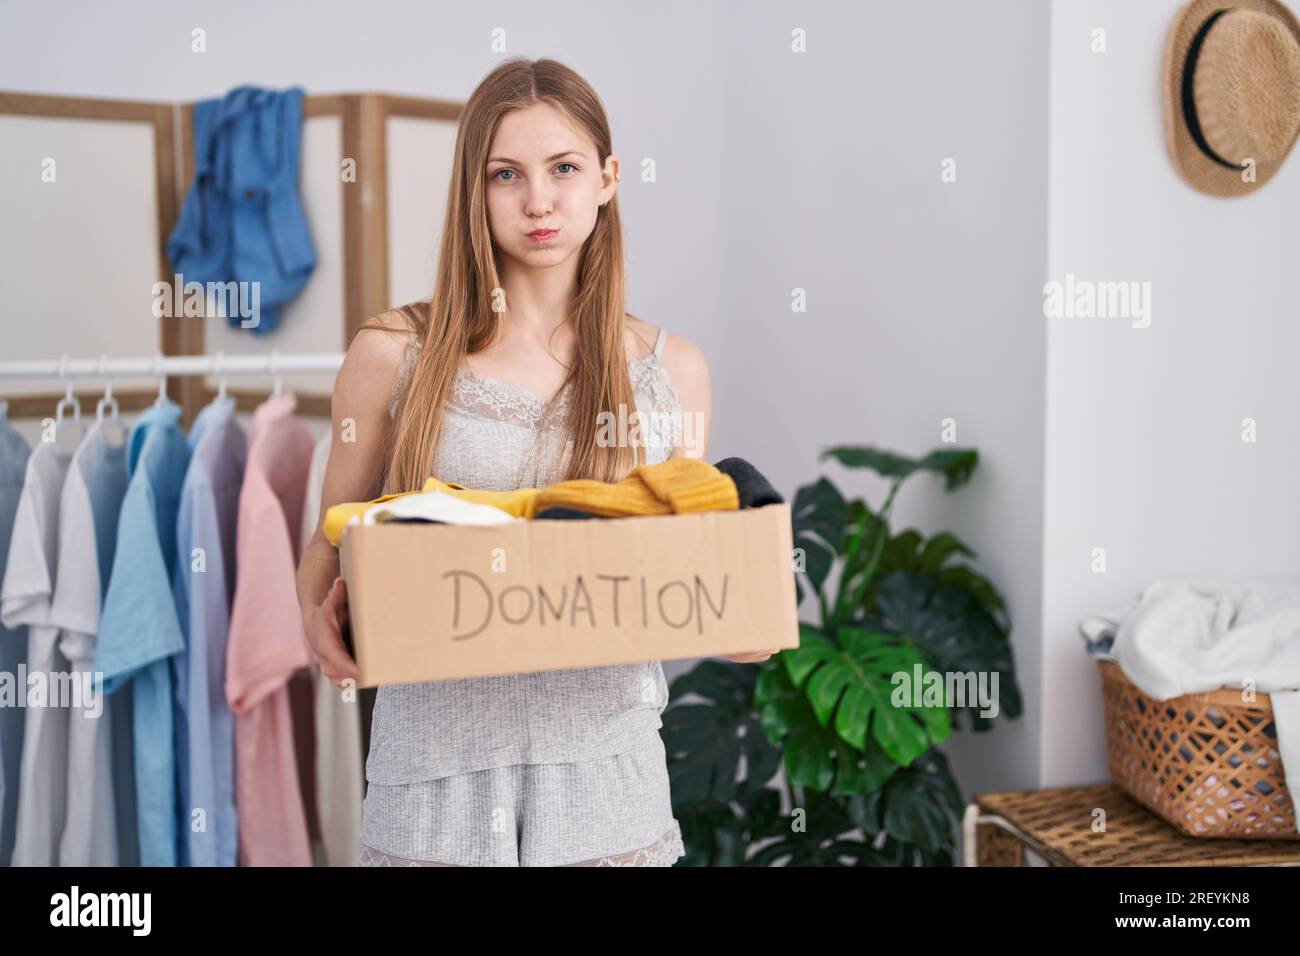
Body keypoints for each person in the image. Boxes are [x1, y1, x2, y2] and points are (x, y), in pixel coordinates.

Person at [295, 57, 775, 868]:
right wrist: (317, 616)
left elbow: (686, 567)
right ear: (473, 191)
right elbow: (328, 542)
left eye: (563, 168)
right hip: (433, 778)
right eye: (505, 174)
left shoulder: (671, 373)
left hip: (609, 784)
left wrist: (742, 614)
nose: (538, 201)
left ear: (607, 178)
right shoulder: (393, 355)